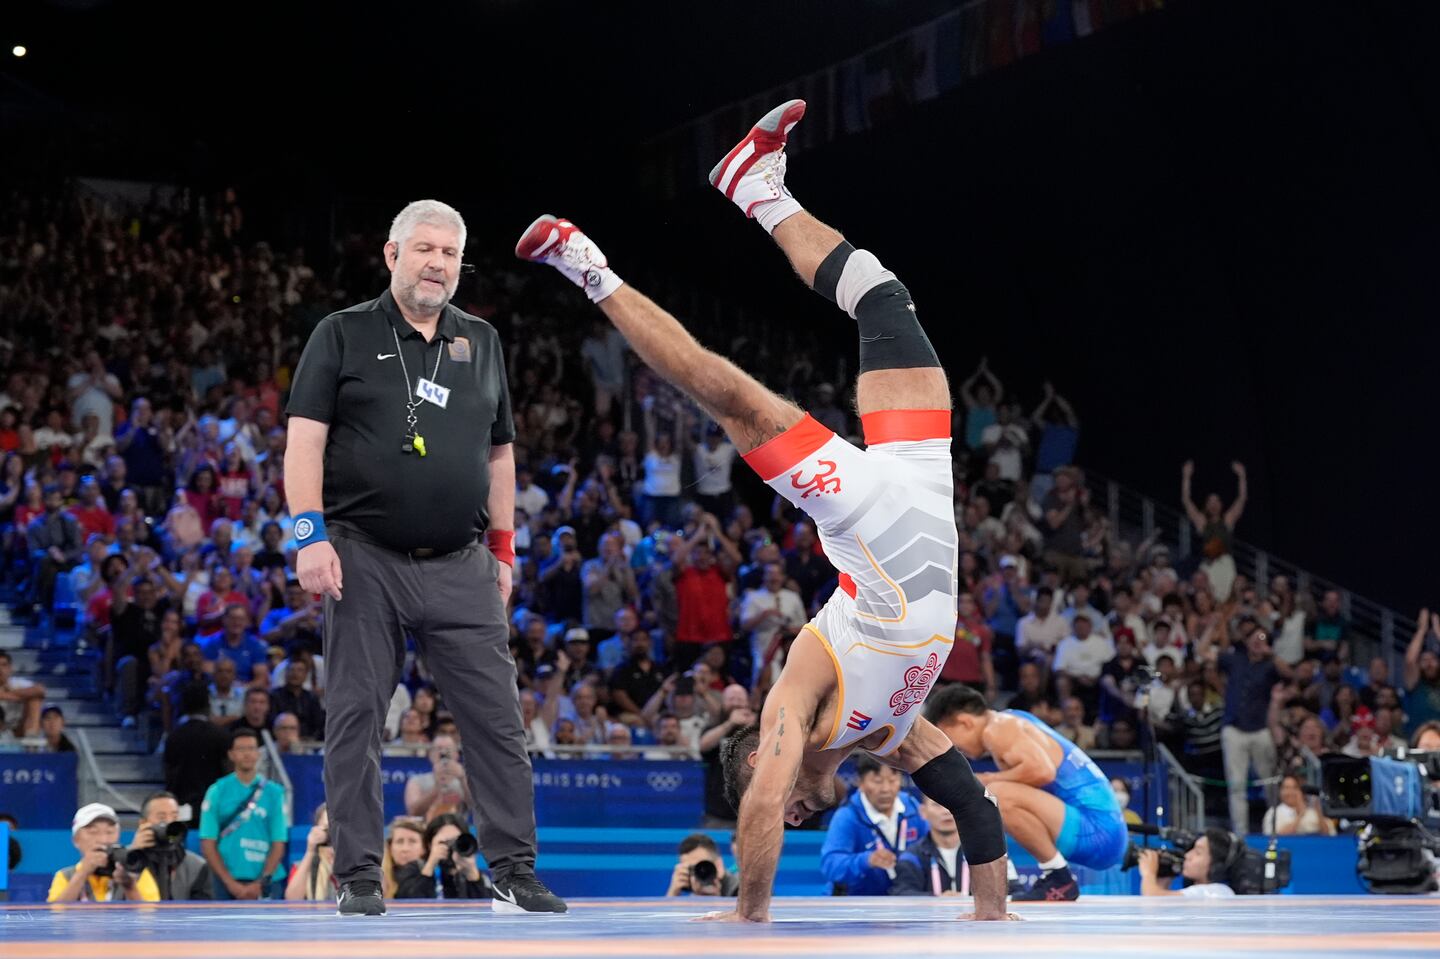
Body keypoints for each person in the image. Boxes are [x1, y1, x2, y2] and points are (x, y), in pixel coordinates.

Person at [519, 99, 1012, 923]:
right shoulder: (889, 739)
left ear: (769, 778)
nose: (796, 809)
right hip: (921, 481)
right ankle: (736, 198)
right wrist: (994, 917)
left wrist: (750, 915)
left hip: (866, 516)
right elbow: (974, 806)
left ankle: (607, 256)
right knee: (884, 301)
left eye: (782, 802)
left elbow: (760, 802)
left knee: (730, 392)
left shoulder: (795, 701)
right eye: (790, 808)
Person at [286, 199, 562, 917]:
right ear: (392, 254)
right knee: (355, 715)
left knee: (499, 720)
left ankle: (512, 868)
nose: (438, 264)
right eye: (425, 250)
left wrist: (504, 549)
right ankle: (357, 873)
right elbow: (304, 442)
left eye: (450, 254)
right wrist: (307, 536)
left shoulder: (482, 341)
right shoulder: (341, 333)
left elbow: (500, 454)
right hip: (361, 555)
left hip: (463, 560)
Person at [925, 684, 1126, 901]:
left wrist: (989, 779)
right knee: (996, 792)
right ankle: (1055, 875)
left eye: (947, 736)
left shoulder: (998, 729)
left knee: (994, 793)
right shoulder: (1012, 719)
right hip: (1103, 832)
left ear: (965, 722)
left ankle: (1059, 878)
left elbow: (1043, 771)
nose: (952, 748)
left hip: (1098, 833)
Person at [198, 728, 289, 901]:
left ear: (258, 753)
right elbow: (207, 841)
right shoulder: (217, 791)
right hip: (225, 881)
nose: (247, 754)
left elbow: (279, 842)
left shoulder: (274, 793)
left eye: (252, 748)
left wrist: (260, 882)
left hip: (267, 880)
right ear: (231, 754)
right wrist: (230, 883)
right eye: (241, 749)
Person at [820, 754, 927, 895]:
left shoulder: (912, 808)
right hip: (856, 903)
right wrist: (866, 860)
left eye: (892, 780)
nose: (886, 789)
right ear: (860, 783)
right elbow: (830, 866)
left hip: (904, 898)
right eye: (877, 781)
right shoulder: (847, 816)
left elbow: (932, 848)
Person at [48, 803, 160, 903]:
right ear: (76, 840)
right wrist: (82, 873)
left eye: (109, 832)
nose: (103, 840)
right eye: (93, 832)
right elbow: (55, 917)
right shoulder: (65, 876)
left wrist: (129, 886)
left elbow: (151, 920)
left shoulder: (136, 872)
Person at [127, 791, 213, 900]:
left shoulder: (197, 866)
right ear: (143, 823)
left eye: (174, 816)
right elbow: (116, 902)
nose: (170, 822)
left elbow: (202, 911)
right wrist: (132, 856)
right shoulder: (124, 862)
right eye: (161, 818)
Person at [1181, 460, 1247, 601]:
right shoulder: (1202, 522)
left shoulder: (1227, 520)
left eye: (1216, 501)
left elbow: (1241, 499)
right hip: (1209, 563)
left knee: (1227, 596)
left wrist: (1242, 476)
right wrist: (1186, 477)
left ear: (1221, 505)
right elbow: (1186, 501)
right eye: (1210, 502)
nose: (1213, 504)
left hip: (1225, 562)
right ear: (1206, 505)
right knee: (1207, 595)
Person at [163, 683, 232, 815]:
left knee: (186, 835)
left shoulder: (174, 737)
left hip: (182, 805)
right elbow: (227, 772)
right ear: (208, 704)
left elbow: (168, 774)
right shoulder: (221, 735)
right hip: (214, 805)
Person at [394, 814, 492, 900]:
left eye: (455, 841)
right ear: (429, 844)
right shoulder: (414, 868)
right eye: (443, 843)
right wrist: (430, 866)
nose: (450, 848)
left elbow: (487, 911)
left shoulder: (475, 875)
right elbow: (407, 902)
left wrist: (472, 874)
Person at [890, 795, 968, 896]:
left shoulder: (981, 852)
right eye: (937, 805)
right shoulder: (912, 856)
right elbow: (902, 894)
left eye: (952, 804)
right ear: (923, 812)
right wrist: (937, 900)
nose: (946, 811)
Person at [1137, 829, 1239, 897]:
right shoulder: (1200, 893)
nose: (1187, 855)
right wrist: (1163, 882)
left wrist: (1148, 874)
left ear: (1216, 866)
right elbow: (1155, 910)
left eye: (1198, 853)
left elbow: (1152, 900)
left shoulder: (1220, 892)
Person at [403, 735, 471, 819]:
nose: (443, 752)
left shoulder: (466, 780)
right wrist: (436, 788)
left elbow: (478, 808)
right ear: (430, 754)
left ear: (456, 754)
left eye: (448, 749)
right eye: (439, 748)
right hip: (426, 829)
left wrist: (463, 778)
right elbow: (413, 812)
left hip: (458, 828)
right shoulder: (416, 781)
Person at [285, 804, 336, 901]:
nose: (332, 836)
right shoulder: (302, 866)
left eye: (337, 830)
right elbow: (292, 900)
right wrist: (310, 851)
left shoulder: (361, 863)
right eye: (327, 829)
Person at [665, 833, 739, 897]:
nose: (699, 872)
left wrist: (717, 901)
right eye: (691, 869)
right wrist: (673, 892)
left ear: (719, 864)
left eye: (703, 866)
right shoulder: (688, 898)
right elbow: (665, 911)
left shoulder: (740, 889)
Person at [1261, 774, 1335, 836]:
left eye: (1295, 788)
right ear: (1280, 791)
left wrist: (1318, 811)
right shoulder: (1273, 812)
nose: (1291, 792)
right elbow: (1277, 837)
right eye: (1287, 788)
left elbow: (1327, 835)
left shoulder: (1313, 811)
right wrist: (1300, 815)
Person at [381, 818, 427, 899]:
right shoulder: (378, 880)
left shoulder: (436, 877)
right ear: (390, 848)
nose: (405, 849)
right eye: (399, 841)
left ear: (424, 848)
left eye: (412, 841)